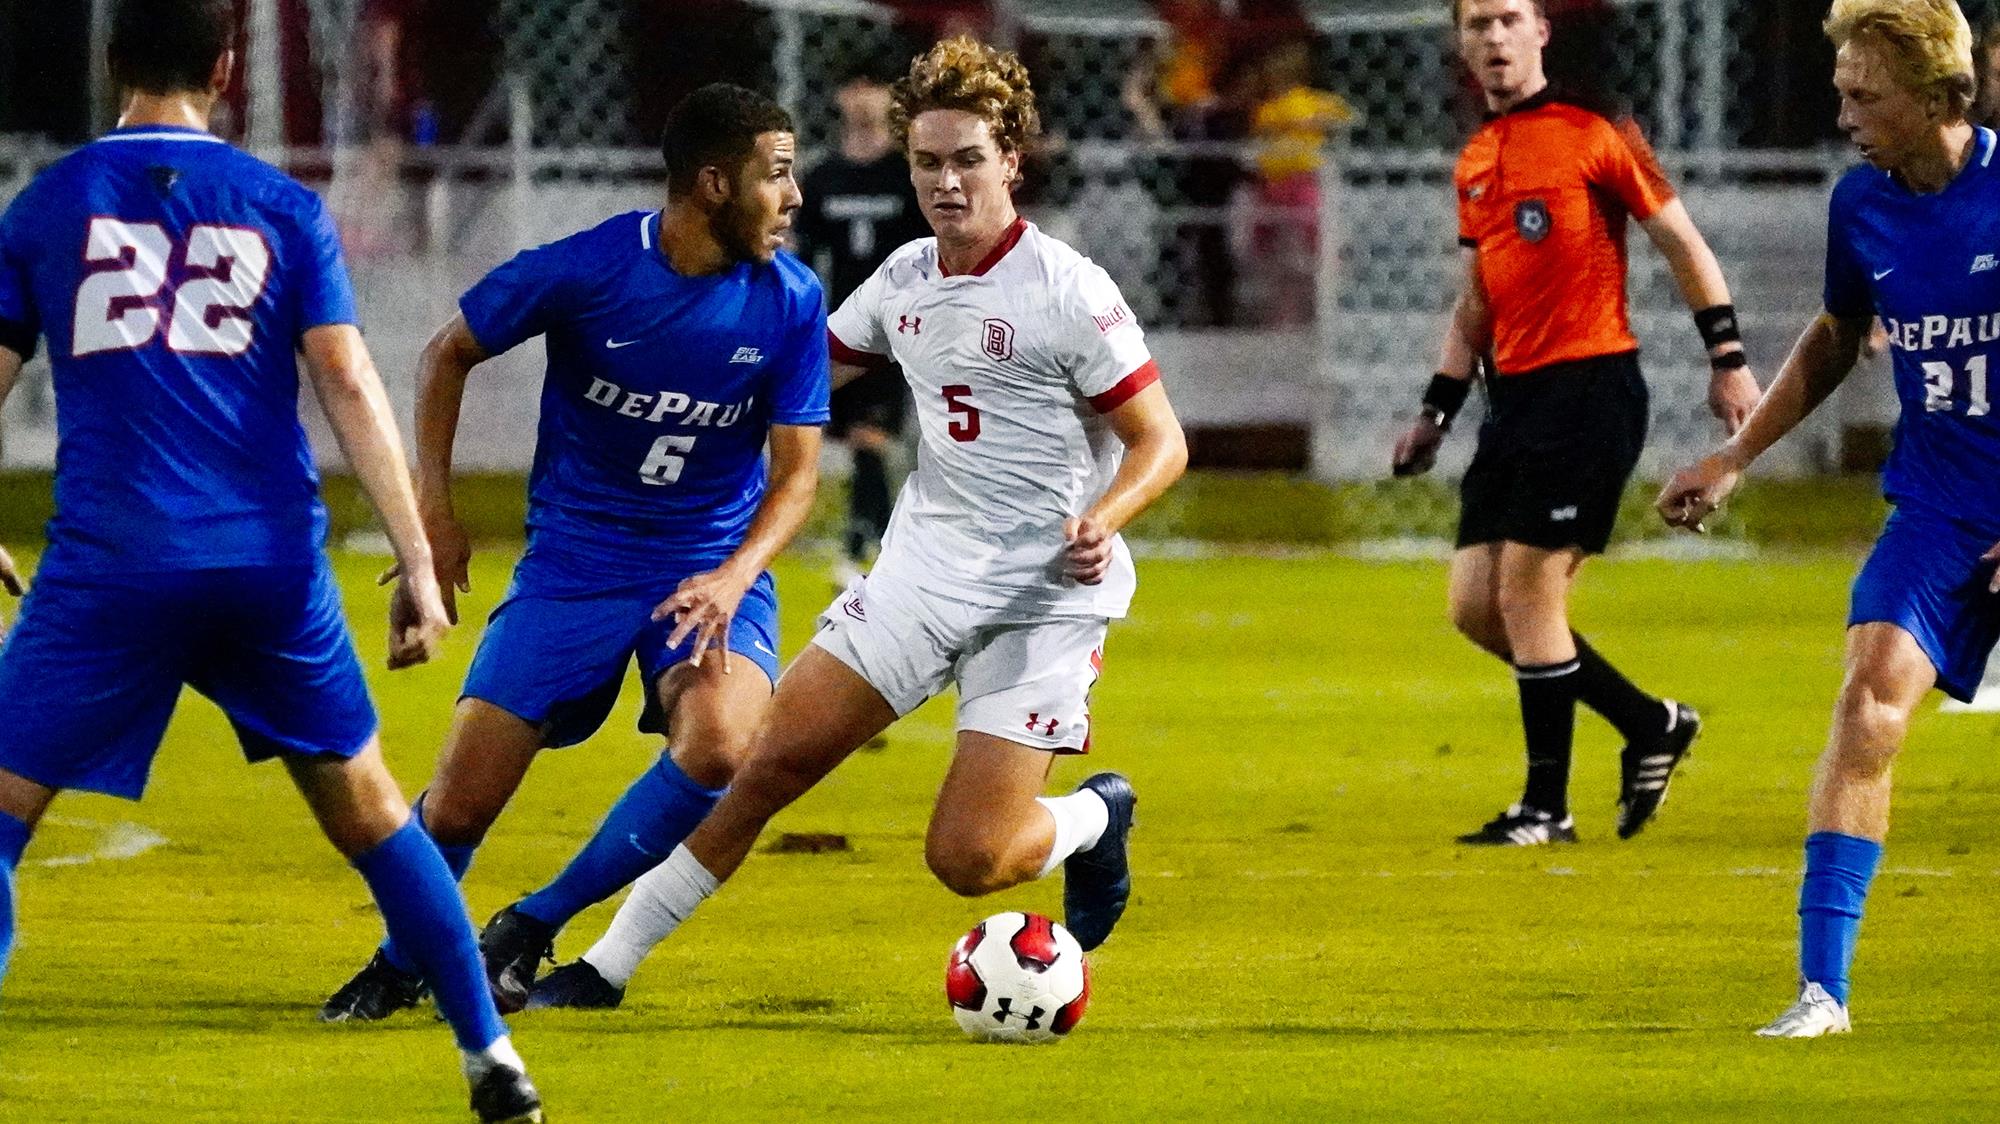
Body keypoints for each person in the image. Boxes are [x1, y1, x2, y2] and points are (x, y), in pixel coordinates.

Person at [523, 35, 1189, 1010]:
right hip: (923, 572)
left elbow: (1160, 441)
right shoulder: (905, 279)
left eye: (967, 158)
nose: (946, 181)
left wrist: (1105, 514)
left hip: (1041, 593)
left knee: (967, 856)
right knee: (758, 766)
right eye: (928, 161)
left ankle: (1092, 818)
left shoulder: (1068, 291)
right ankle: (602, 966)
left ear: (1010, 158)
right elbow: (792, 377)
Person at [0, 3, 541, 1120]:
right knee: (375, 810)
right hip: (266, 564)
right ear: (226, 68)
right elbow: (346, 383)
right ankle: (490, 1052)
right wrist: (416, 555)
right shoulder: (279, 207)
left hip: (114, 560)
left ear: (113, 62)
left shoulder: (48, 204)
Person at [317, 84, 828, 1018]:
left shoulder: (791, 301)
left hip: (709, 567)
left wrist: (735, 572)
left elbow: (797, 477)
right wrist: (435, 512)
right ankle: (404, 960)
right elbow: (447, 352)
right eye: (778, 175)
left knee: (719, 743)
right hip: (576, 565)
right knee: (461, 806)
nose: (795, 196)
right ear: (714, 183)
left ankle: (531, 925)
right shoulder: (592, 270)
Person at [1659, 0, 1995, 1038]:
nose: (1842, 109)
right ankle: (1821, 991)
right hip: (1937, 506)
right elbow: (1837, 333)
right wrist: (1734, 455)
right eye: (1840, 88)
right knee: (1866, 698)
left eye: (1864, 93)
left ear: (1940, 95)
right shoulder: (1860, 205)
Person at [1392, 0, 1762, 846]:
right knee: (1475, 610)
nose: (1494, 38)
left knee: (1527, 594)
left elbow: (1683, 243)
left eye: (1509, 19)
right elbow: (1477, 302)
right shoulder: (1477, 159)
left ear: (1541, 32)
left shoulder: (1597, 132)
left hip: (1590, 389)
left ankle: (1545, 807)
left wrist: (1728, 358)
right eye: (1477, 24)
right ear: (1460, 41)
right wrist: (1435, 413)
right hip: (1513, 402)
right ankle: (1650, 724)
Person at [794, 63, 929, 586]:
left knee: (870, 437)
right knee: (856, 440)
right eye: (855, 87)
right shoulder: (824, 177)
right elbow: (806, 257)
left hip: (897, 326)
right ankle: (887, 546)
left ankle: (856, 552)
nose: (864, 100)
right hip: (840, 327)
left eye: (873, 88)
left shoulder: (904, 173)